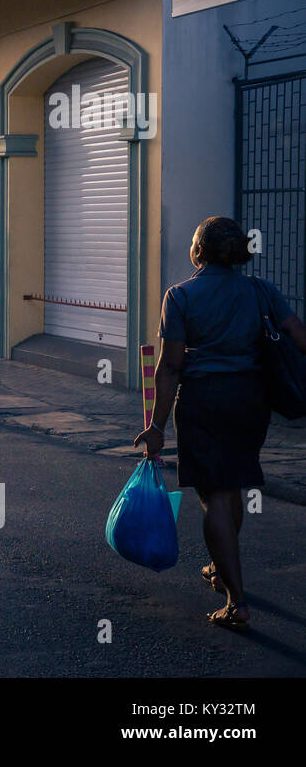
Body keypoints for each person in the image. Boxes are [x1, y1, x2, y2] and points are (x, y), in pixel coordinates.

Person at [134, 216, 306, 630]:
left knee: (214, 496)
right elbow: (300, 337)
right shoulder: (261, 291)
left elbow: (170, 367)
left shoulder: (180, 296)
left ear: (198, 252)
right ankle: (219, 567)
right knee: (231, 486)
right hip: (251, 401)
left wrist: (156, 426)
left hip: (203, 400)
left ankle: (236, 602)